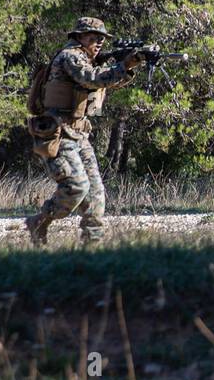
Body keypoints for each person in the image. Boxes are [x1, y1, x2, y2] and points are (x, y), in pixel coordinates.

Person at [24, 17, 142, 245]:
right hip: (59, 134)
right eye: (93, 38)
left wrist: (126, 68)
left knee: (96, 194)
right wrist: (124, 65)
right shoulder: (70, 57)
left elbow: (105, 82)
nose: (98, 43)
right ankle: (40, 221)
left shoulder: (88, 59)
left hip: (79, 134)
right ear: (78, 37)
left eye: (101, 39)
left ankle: (92, 245)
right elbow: (91, 79)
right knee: (76, 187)